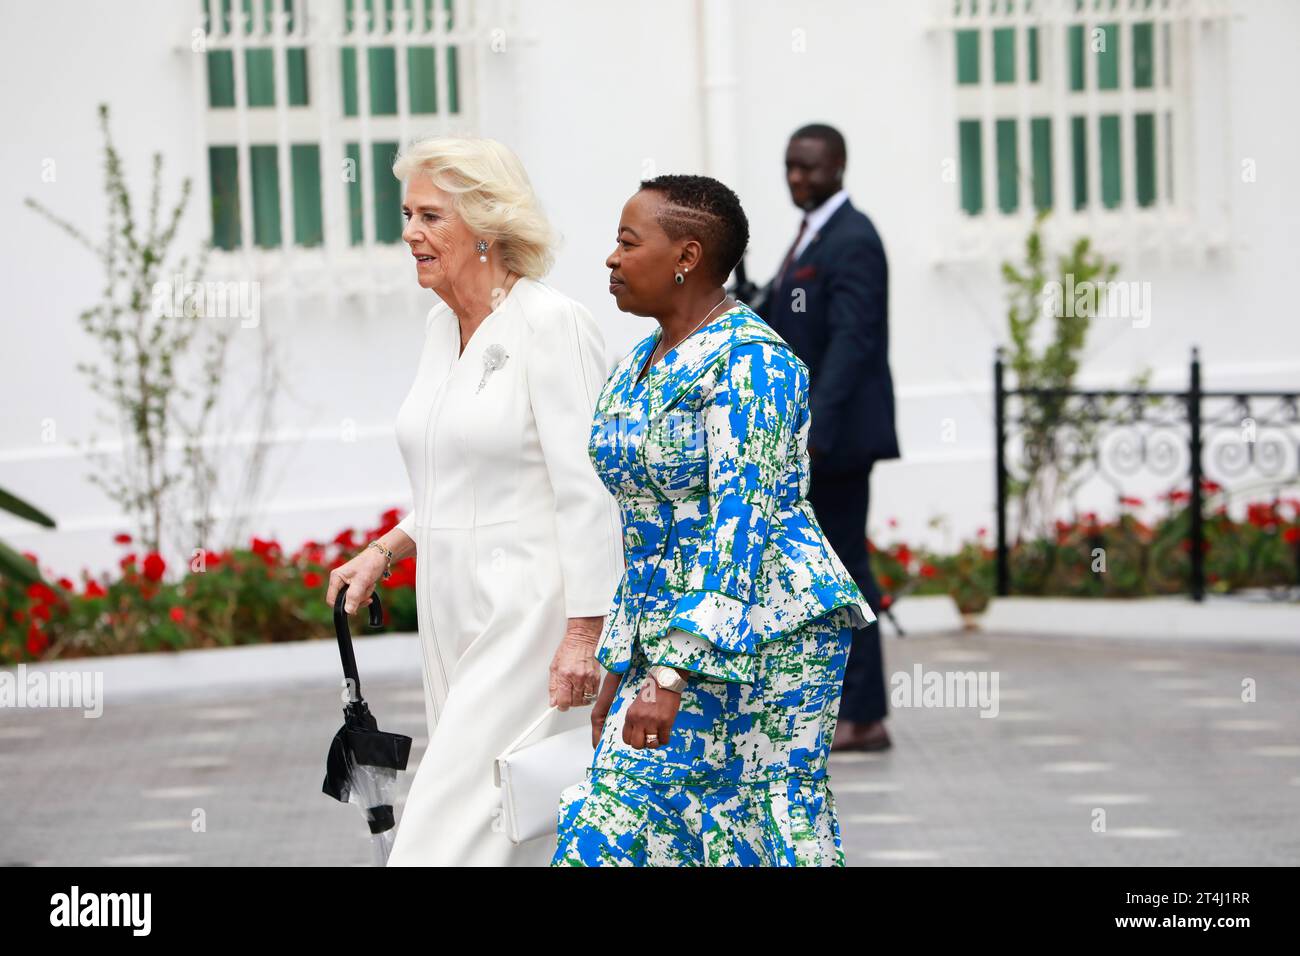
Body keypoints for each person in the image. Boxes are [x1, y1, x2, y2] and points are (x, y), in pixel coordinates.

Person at [551, 174, 874, 867]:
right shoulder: (638, 364)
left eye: (627, 242)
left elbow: (740, 525)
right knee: (621, 824)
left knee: (762, 828)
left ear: (687, 257)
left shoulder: (754, 364)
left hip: (772, 637)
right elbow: (644, 535)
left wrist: (671, 674)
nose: (610, 258)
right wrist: (622, 657)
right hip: (669, 634)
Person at [325, 135, 622, 866]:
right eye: (407, 214)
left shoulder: (551, 323)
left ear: (487, 224)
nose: (410, 234)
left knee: (440, 832)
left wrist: (585, 633)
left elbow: (589, 488)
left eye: (430, 216)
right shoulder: (439, 327)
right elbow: (456, 475)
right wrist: (384, 550)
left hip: (527, 607)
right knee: (490, 821)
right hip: (450, 606)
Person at [757, 123, 900, 752]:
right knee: (824, 573)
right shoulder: (811, 234)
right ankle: (833, 706)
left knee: (846, 572)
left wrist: (814, 425)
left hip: (837, 441)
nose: (797, 178)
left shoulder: (854, 239)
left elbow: (852, 342)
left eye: (810, 168)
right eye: (790, 166)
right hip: (817, 435)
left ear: (838, 165)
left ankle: (864, 716)